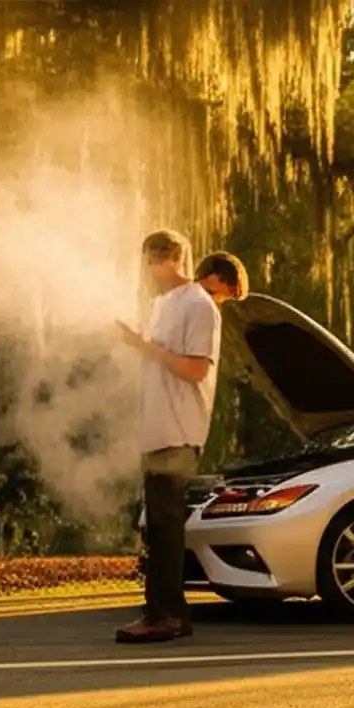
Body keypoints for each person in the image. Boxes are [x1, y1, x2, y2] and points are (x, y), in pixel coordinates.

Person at [114, 229, 248, 643]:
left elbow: (195, 370)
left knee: (167, 528)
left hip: (178, 431)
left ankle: (169, 616)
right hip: (155, 433)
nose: (148, 270)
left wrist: (141, 345)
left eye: (152, 260)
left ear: (173, 258)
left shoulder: (199, 305)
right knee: (156, 527)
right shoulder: (163, 304)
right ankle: (158, 611)